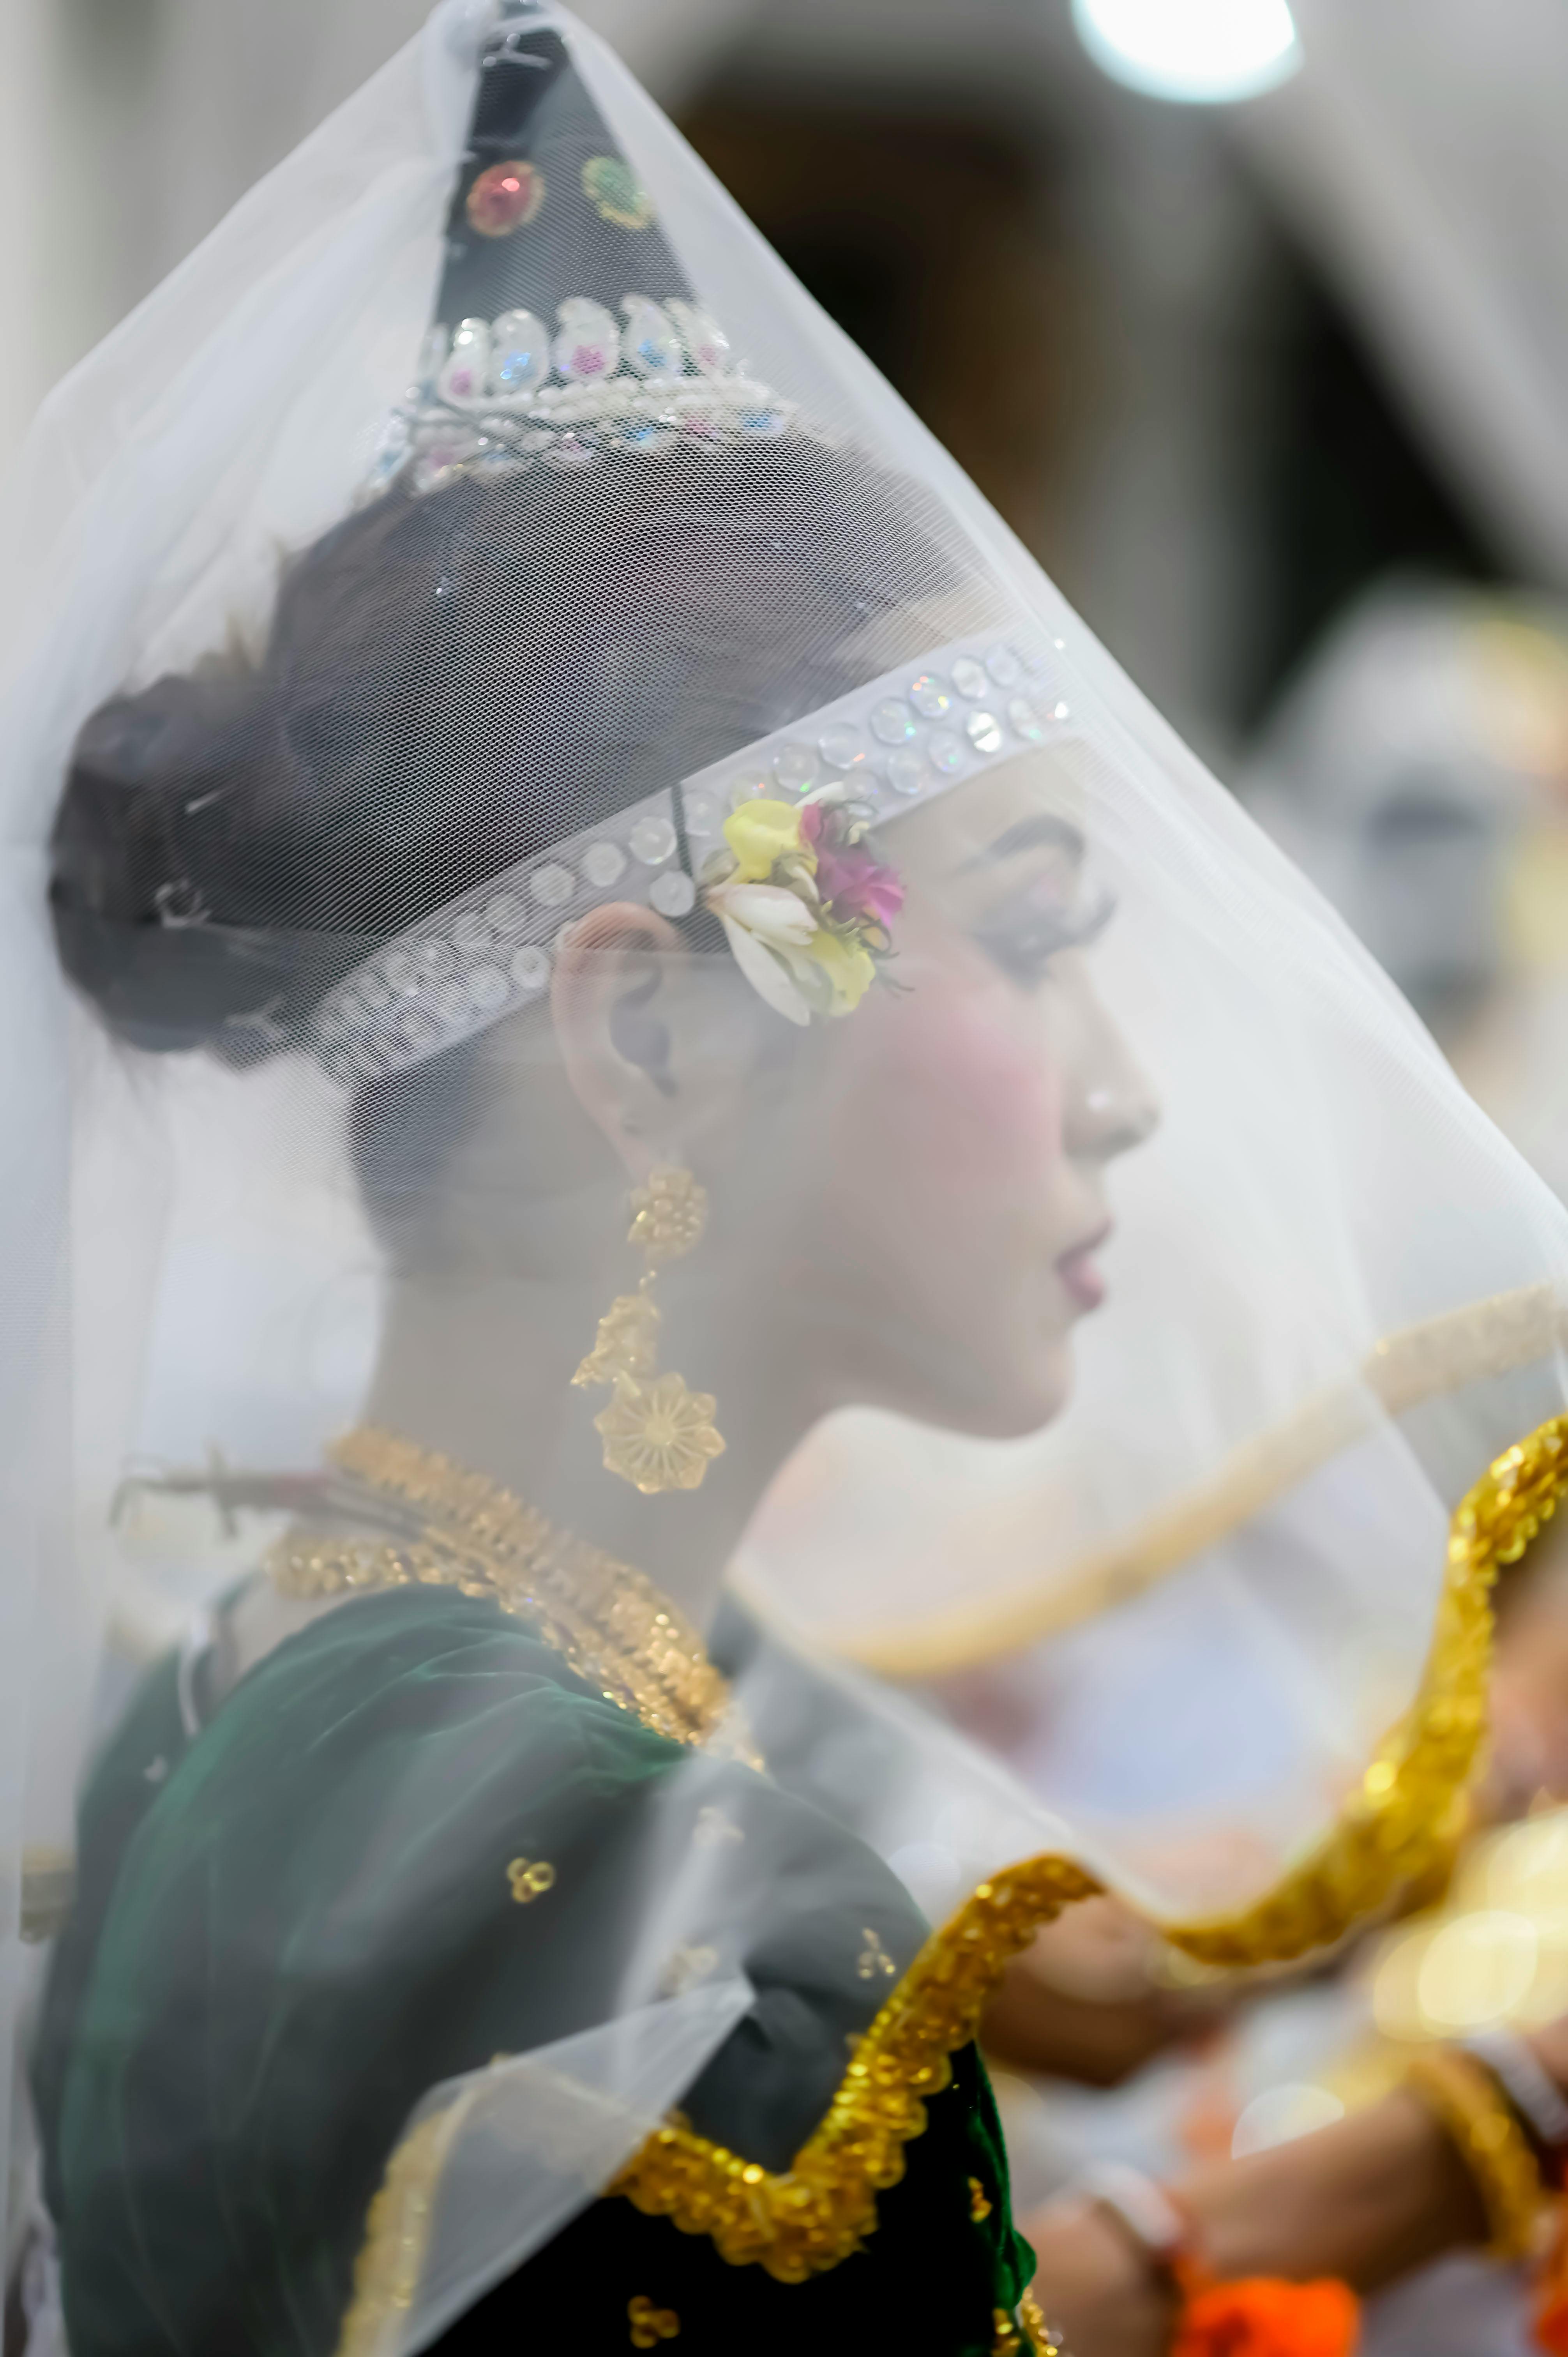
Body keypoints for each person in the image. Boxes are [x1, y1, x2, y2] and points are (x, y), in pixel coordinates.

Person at [8, 7, 1568, 2356]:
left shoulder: (238, 1675)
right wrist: (1448, 2154)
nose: (1124, 1092)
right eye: (1035, 944)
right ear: (643, 1034)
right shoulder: (671, 1933)